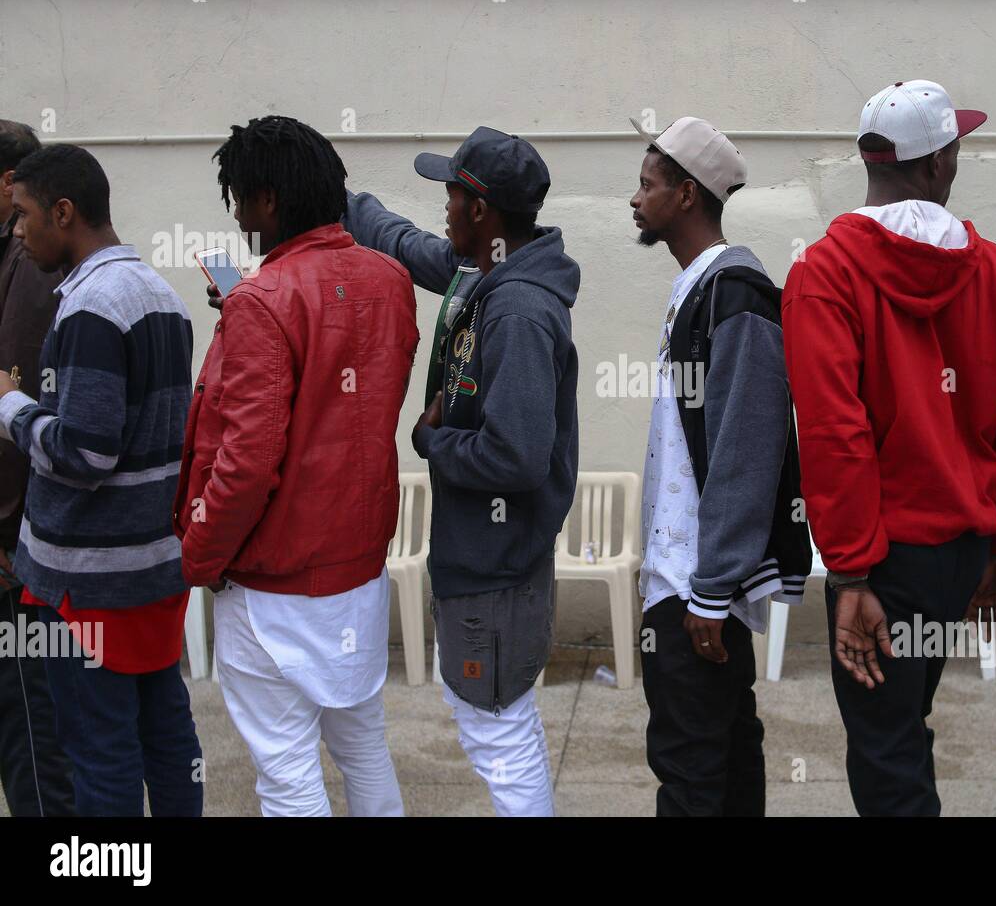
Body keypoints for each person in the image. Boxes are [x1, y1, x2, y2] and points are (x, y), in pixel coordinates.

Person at [782, 80, 996, 815]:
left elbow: (836, 434)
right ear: (938, 166)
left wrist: (851, 572)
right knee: (903, 725)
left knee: (885, 745)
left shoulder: (822, 272)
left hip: (881, 555)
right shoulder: (995, 271)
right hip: (957, 551)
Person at [177, 116, 418, 817]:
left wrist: (200, 554)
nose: (239, 219)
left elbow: (247, 462)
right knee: (362, 744)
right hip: (357, 566)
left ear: (267, 201)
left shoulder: (263, 299)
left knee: (286, 770)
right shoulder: (390, 278)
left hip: (274, 577)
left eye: (239, 201)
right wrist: (249, 313)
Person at [347, 127, 579, 817]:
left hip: (495, 570)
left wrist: (431, 440)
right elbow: (407, 244)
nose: (443, 207)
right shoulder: (488, 270)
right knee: (502, 726)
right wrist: (340, 200)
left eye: (451, 193)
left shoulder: (517, 310)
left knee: (498, 736)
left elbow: (517, 457)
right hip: (485, 561)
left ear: (481, 212)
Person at [0, 144, 201, 816]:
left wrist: (13, 410)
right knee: (166, 736)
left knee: (100, 754)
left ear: (64, 211)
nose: (19, 231)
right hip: (151, 568)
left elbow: (85, 455)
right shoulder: (160, 295)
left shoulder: (91, 307)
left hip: (90, 583)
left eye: (25, 215)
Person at [628, 116, 810, 816]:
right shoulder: (698, 290)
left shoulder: (735, 291)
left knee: (690, 768)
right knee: (723, 752)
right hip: (685, 577)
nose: (635, 199)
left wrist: (711, 589)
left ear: (687, 195)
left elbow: (747, 447)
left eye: (647, 185)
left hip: (696, 584)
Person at [0, 121, 76, 816]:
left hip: (21, 548)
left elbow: (16, 405)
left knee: (30, 724)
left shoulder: (28, 270)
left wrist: (8, 535)